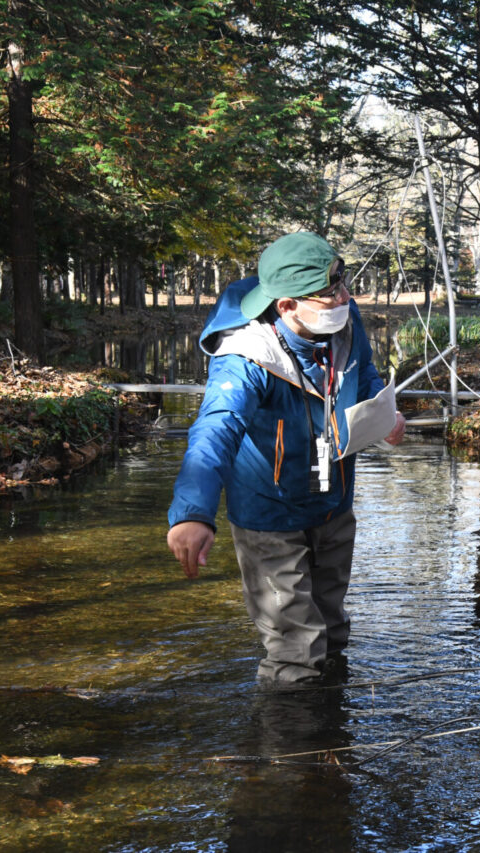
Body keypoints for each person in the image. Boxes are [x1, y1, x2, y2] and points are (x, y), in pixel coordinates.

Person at [167, 231, 407, 684]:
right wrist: (192, 513)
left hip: (333, 502)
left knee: (332, 631)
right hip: (269, 515)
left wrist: (385, 409)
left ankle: (333, 733)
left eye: (343, 283)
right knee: (296, 651)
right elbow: (213, 433)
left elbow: (366, 374)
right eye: (329, 292)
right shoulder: (245, 358)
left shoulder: (342, 320)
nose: (344, 296)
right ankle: (291, 749)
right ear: (287, 306)